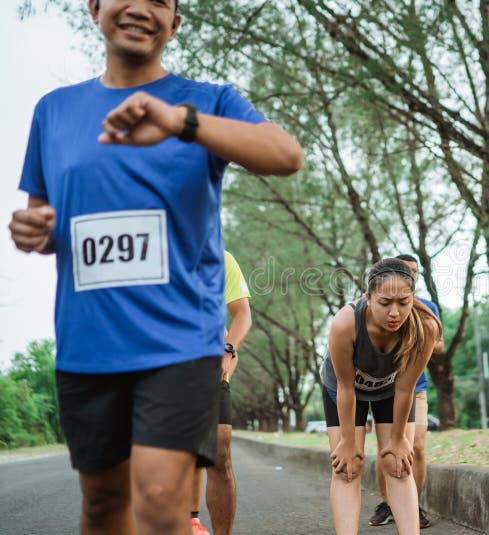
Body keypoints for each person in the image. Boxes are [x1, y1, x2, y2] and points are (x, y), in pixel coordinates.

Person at [8, 0, 302, 533]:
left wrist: (178, 122)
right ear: (94, 8)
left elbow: (285, 154)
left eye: (161, 1)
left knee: (162, 499)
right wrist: (34, 234)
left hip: (180, 342)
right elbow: (42, 220)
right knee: (102, 506)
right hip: (89, 343)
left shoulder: (208, 102)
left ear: (175, 22)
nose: (141, 8)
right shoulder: (54, 110)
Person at [320, 258, 442, 535]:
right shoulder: (345, 324)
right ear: (368, 297)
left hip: (391, 390)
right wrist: (349, 442)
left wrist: (398, 440)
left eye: (403, 301)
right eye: (385, 302)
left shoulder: (424, 328)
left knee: (398, 465)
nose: (395, 312)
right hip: (344, 390)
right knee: (347, 468)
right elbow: (346, 387)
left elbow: (405, 387)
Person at [370, 254, 444, 530]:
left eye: (416, 271)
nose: (412, 274)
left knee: (416, 446)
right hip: (381, 386)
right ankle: (387, 502)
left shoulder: (426, 307)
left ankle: (413, 504)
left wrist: (418, 337)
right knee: (385, 449)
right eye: (407, 270)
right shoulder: (383, 305)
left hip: (415, 385)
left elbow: (439, 345)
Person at [190, 251, 252, 535]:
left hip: (209, 362)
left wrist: (228, 350)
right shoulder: (148, 250)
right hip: (159, 363)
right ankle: (189, 520)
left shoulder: (219, 257)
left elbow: (242, 313)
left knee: (219, 450)